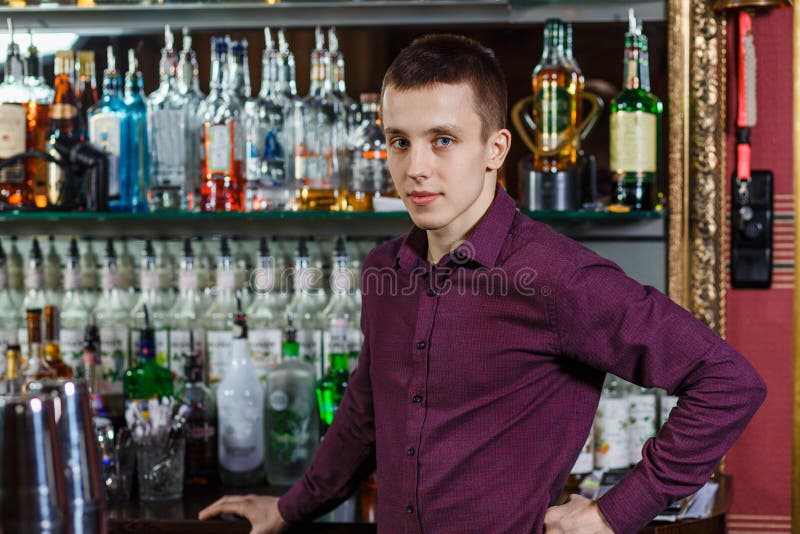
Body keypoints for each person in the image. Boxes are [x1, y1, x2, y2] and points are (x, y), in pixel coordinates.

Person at [200, 34, 767, 534]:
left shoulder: (556, 276)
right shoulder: (383, 271)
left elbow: (727, 382)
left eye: (442, 140)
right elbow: (365, 412)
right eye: (399, 141)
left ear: (495, 149)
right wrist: (290, 507)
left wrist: (614, 513)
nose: (415, 166)